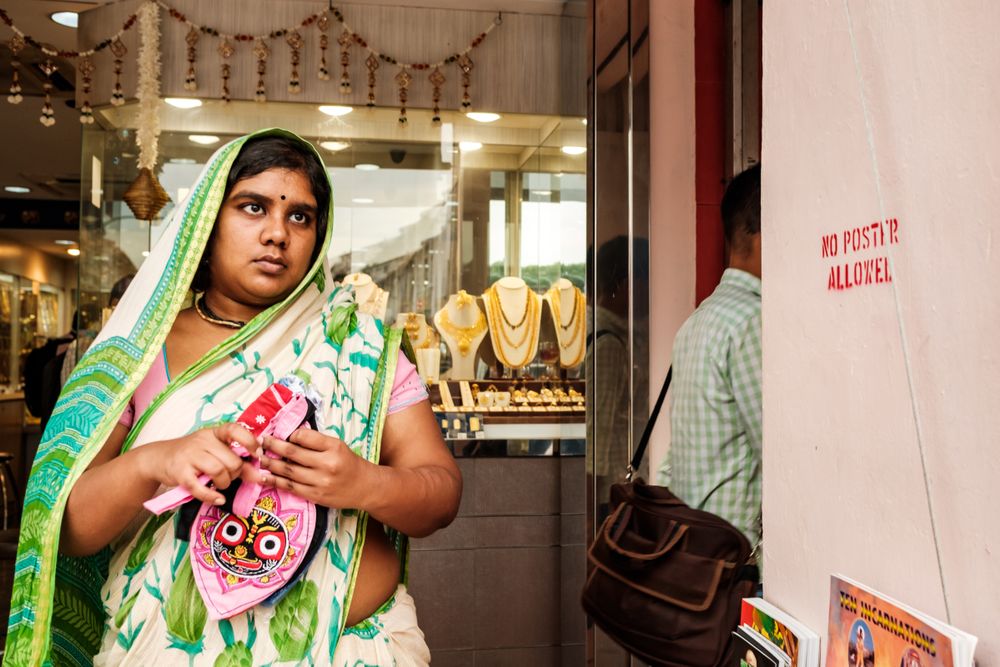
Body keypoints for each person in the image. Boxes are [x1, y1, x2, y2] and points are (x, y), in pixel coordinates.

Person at [5, 129, 462, 666]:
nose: (277, 234)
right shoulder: (137, 352)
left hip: (354, 648)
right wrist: (157, 461)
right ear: (208, 221)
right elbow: (67, 528)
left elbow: (441, 496)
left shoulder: (358, 346)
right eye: (253, 207)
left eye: (300, 217)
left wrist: (364, 483)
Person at [657, 164, 762, 547]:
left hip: (692, 546)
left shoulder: (698, 320)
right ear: (764, 235)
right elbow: (777, 453)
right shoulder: (753, 322)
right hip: (735, 557)